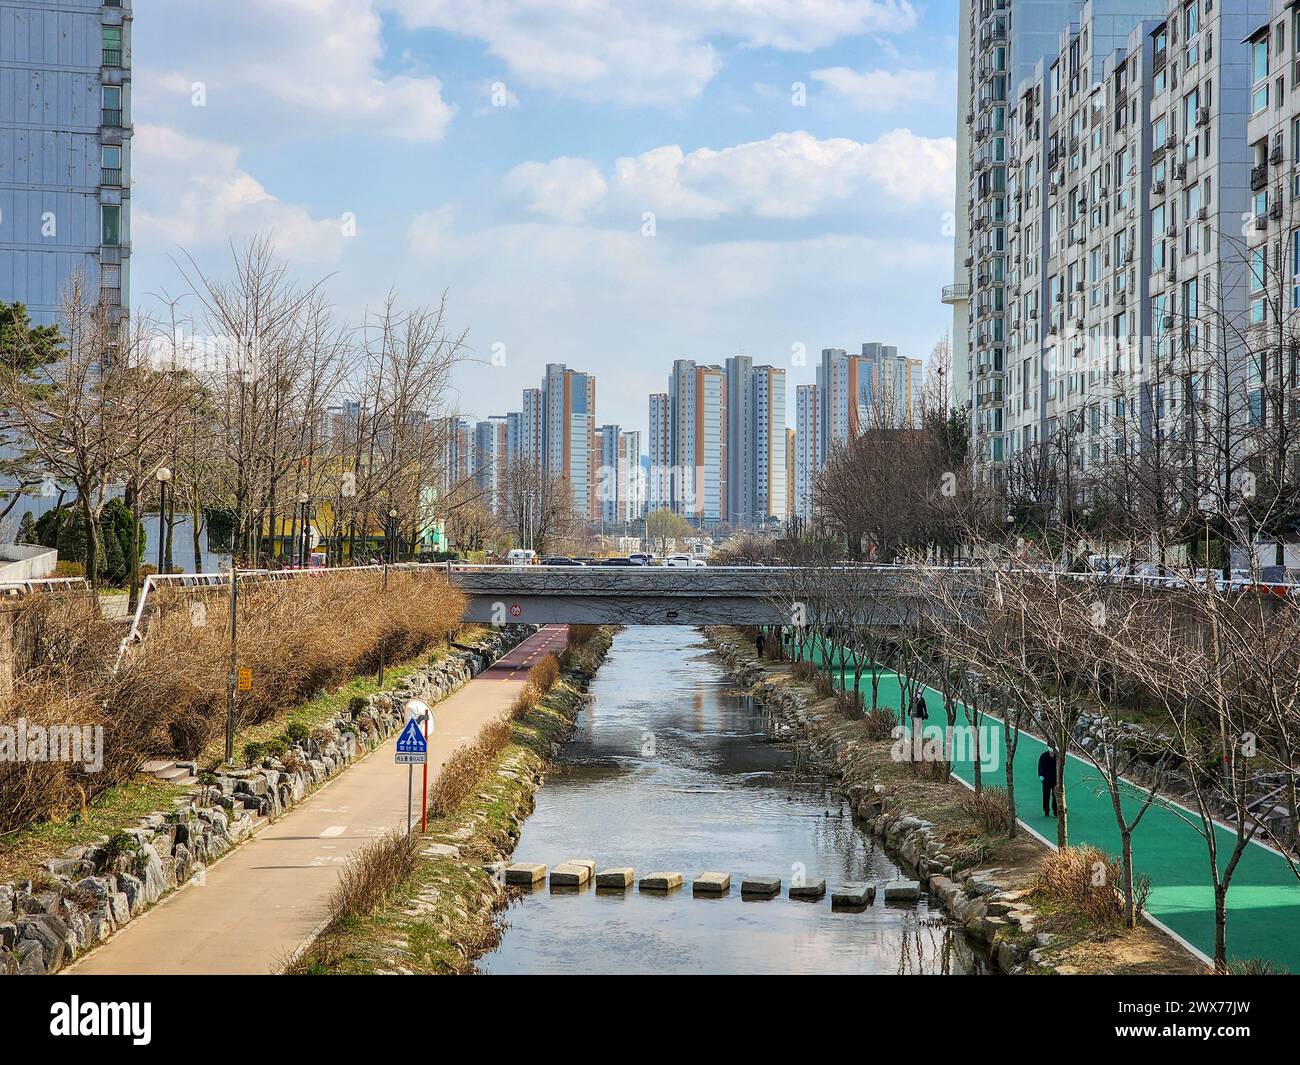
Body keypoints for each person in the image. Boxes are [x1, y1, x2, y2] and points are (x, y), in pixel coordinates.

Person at [1038, 747, 1058, 817]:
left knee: (1055, 795)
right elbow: (1040, 766)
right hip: (1046, 779)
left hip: (1055, 779)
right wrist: (1041, 775)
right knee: (1046, 795)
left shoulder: (1057, 756)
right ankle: (1046, 810)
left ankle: (1055, 811)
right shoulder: (1044, 756)